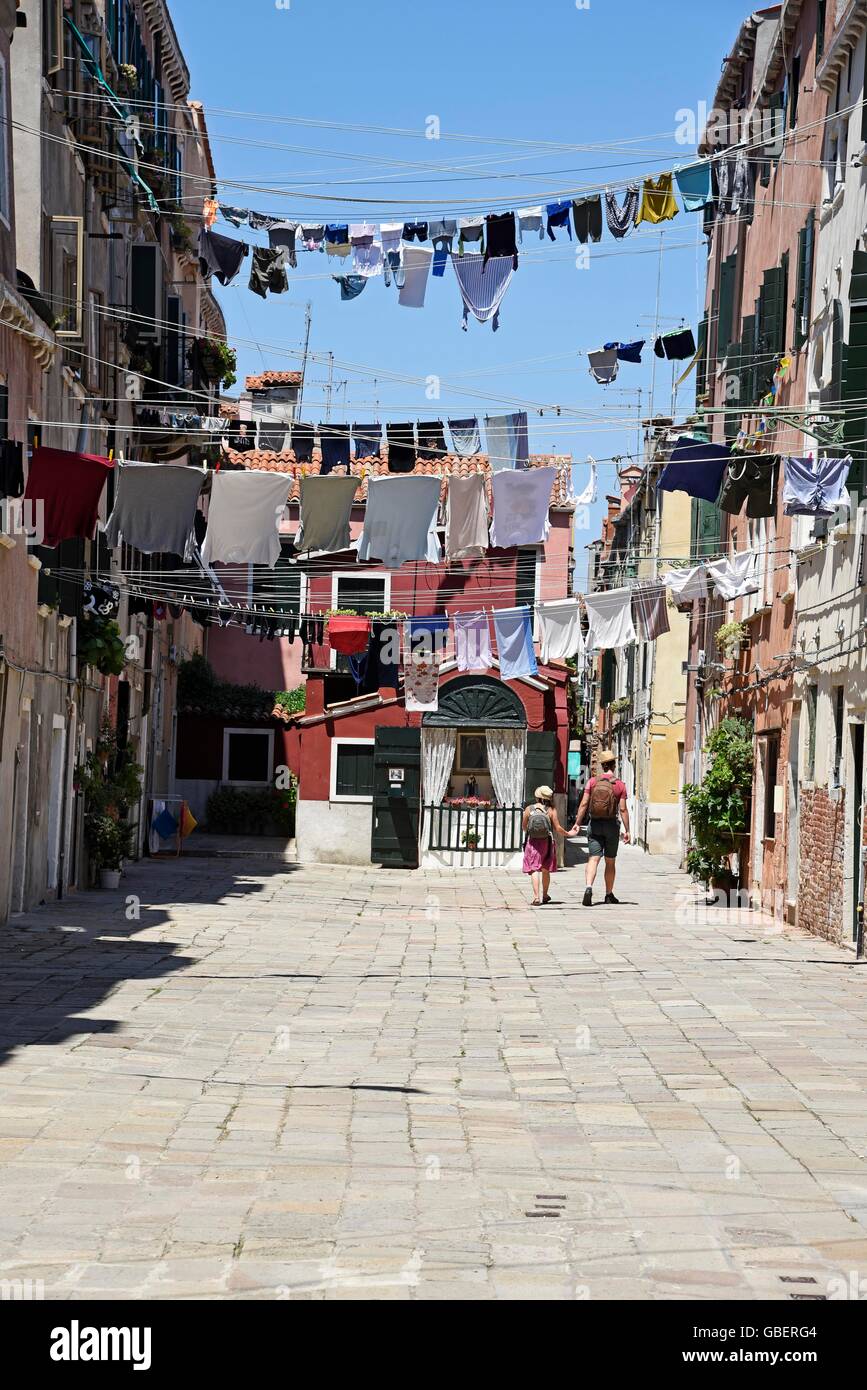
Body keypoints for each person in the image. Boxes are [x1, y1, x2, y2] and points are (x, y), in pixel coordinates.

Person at [572, 750, 630, 906]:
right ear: (614, 765)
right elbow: (623, 809)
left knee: (593, 858)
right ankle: (608, 894)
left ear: (602, 766)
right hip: (611, 825)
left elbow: (584, 804)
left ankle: (589, 887)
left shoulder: (592, 782)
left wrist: (577, 822)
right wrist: (627, 830)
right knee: (610, 862)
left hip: (595, 824)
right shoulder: (619, 785)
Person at [522, 785, 579, 907]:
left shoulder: (529, 809)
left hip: (532, 843)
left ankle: (536, 897)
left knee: (534, 869)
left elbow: (524, 826)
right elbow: (558, 828)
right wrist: (569, 833)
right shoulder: (551, 810)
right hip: (547, 843)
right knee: (545, 869)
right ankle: (545, 895)